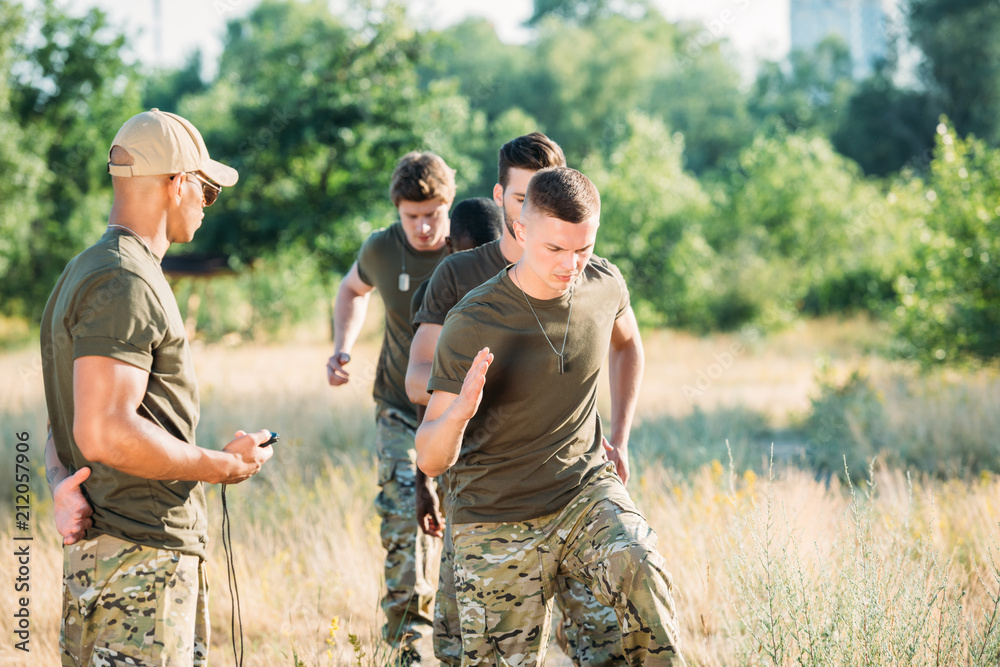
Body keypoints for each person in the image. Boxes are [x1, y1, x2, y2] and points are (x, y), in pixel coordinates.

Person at [416, 167, 683, 665]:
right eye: (554, 249)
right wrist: (458, 413)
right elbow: (430, 457)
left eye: (582, 247)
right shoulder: (473, 320)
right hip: (495, 515)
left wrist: (619, 436)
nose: (571, 264)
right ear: (520, 230)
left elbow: (628, 346)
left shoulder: (603, 282)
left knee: (642, 563)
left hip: (582, 490)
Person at [40, 109, 275, 667]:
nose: (205, 204)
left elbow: (67, 420)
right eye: (207, 190)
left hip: (111, 557)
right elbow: (101, 429)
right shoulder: (125, 279)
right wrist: (222, 465)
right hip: (138, 563)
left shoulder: (86, 269)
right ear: (178, 184)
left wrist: (59, 483)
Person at [326, 151, 456, 662]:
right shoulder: (382, 248)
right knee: (403, 520)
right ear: (397, 212)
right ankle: (407, 647)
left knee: (461, 523)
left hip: (458, 416)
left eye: (432, 214)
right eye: (411, 217)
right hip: (398, 410)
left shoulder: (473, 245)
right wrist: (342, 346)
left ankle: (462, 640)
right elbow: (351, 289)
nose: (423, 228)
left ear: (448, 204)